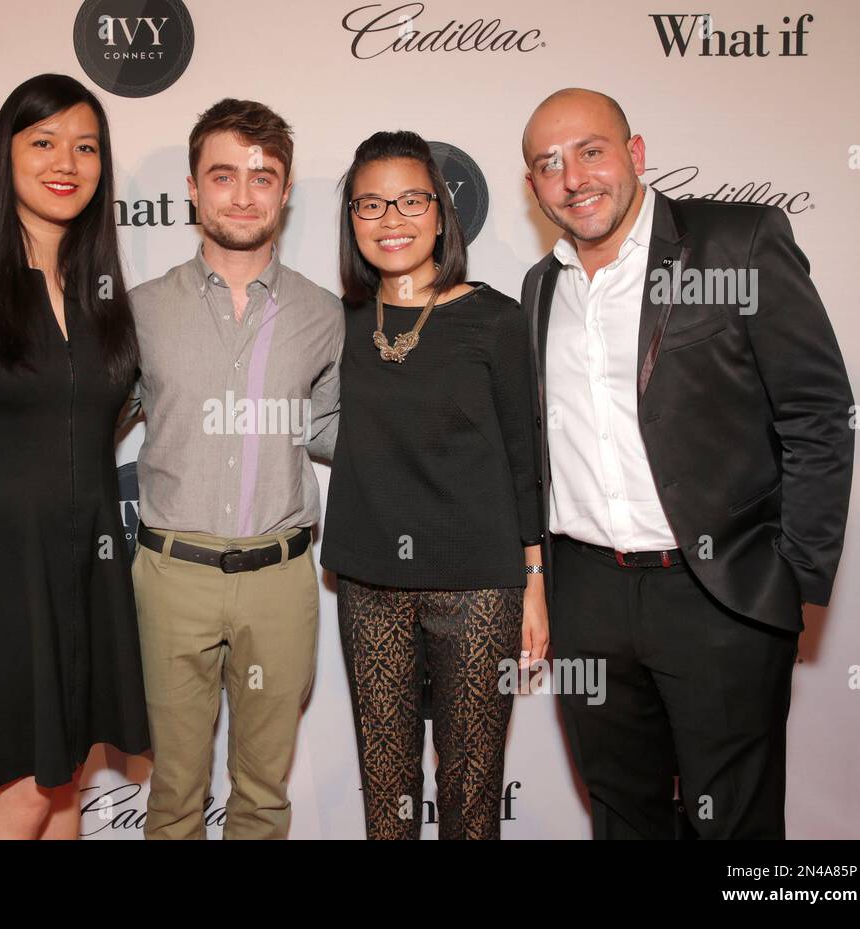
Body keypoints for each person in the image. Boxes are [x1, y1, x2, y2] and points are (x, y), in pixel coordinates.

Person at [519, 87, 855, 839]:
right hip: (589, 597)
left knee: (736, 824)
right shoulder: (541, 288)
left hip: (718, 593)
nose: (572, 178)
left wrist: (791, 576)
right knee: (622, 812)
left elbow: (817, 412)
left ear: (635, 155)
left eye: (591, 151)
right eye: (548, 165)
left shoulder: (736, 242)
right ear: (533, 186)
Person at [0, 73, 150, 840]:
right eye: (43, 142)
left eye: (85, 146)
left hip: (85, 559)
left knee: (65, 780)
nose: (66, 161)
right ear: (3, 155)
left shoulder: (103, 285)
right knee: (20, 787)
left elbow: (84, 426)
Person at [320, 131, 546, 839]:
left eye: (411, 199)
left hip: (481, 584)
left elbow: (525, 456)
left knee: (471, 783)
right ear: (351, 219)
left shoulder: (497, 319)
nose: (392, 218)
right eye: (371, 203)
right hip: (369, 581)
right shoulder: (340, 323)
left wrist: (535, 580)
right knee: (386, 785)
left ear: (442, 214)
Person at [127, 99, 342, 839]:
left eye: (263, 176)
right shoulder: (138, 312)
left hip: (281, 581)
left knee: (262, 796)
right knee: (174, 795)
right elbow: (80, 431)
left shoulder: (326, 314)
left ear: (285, 191)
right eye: (223, 175)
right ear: (192, 187)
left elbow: (340, 433)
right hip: (170, 578)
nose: (243, 195)